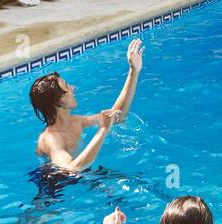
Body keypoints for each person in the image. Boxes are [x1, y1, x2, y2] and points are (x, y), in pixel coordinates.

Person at [28, 39, 143, 171]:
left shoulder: (77, 121)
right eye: (66, 87)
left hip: (83, 176)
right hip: (58, 184)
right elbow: (71, 170)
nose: (72, 88)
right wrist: (102, 131)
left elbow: (117, 116)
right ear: (58, 102)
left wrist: (134, 71)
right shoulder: (51, 139)